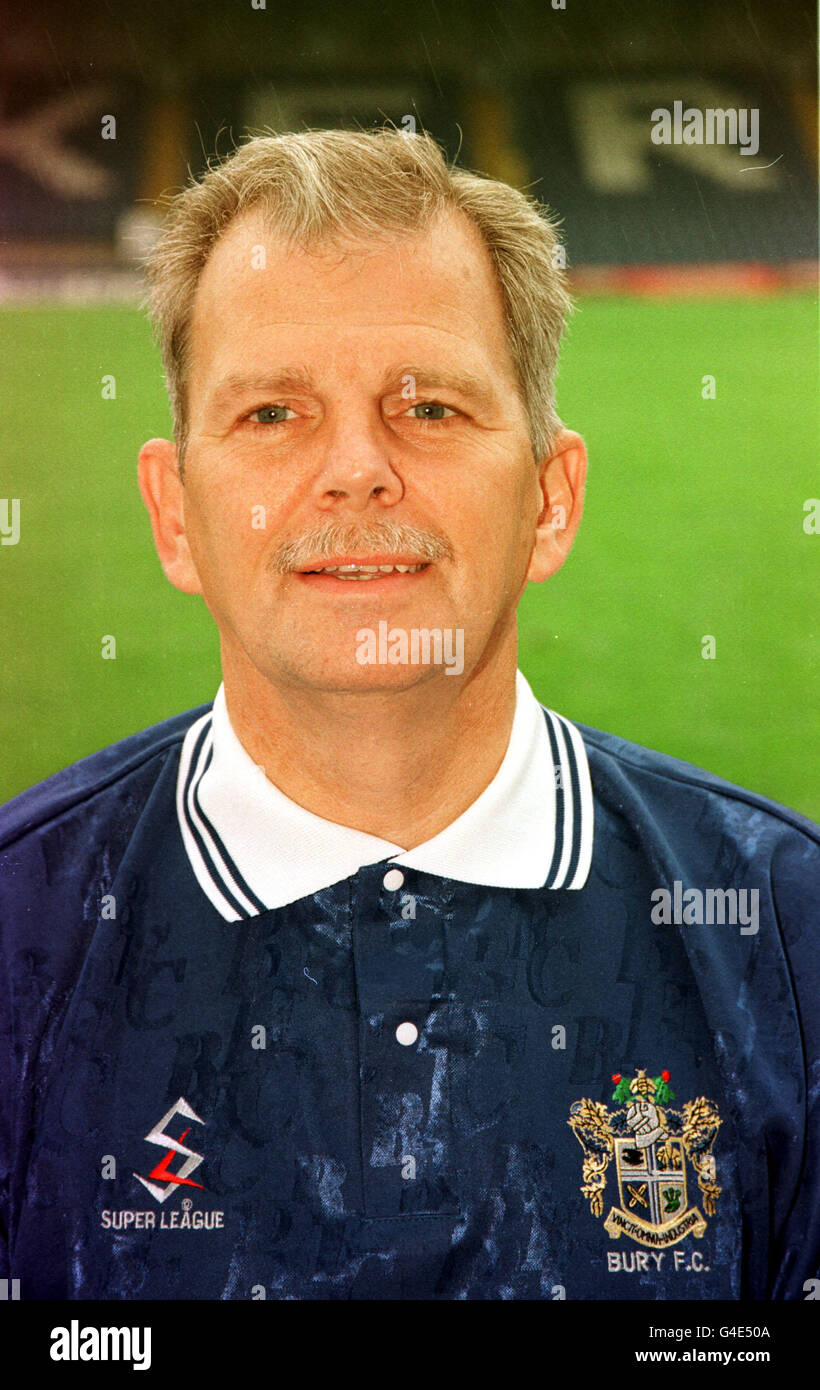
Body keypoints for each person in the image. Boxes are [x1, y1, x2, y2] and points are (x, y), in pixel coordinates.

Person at [1, 128, 817, 1301]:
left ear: (549, 498)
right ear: (173, 513)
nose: (354, 471)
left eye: (428, 407)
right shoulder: (19, 937)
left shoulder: (787, 939)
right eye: (272, 414)